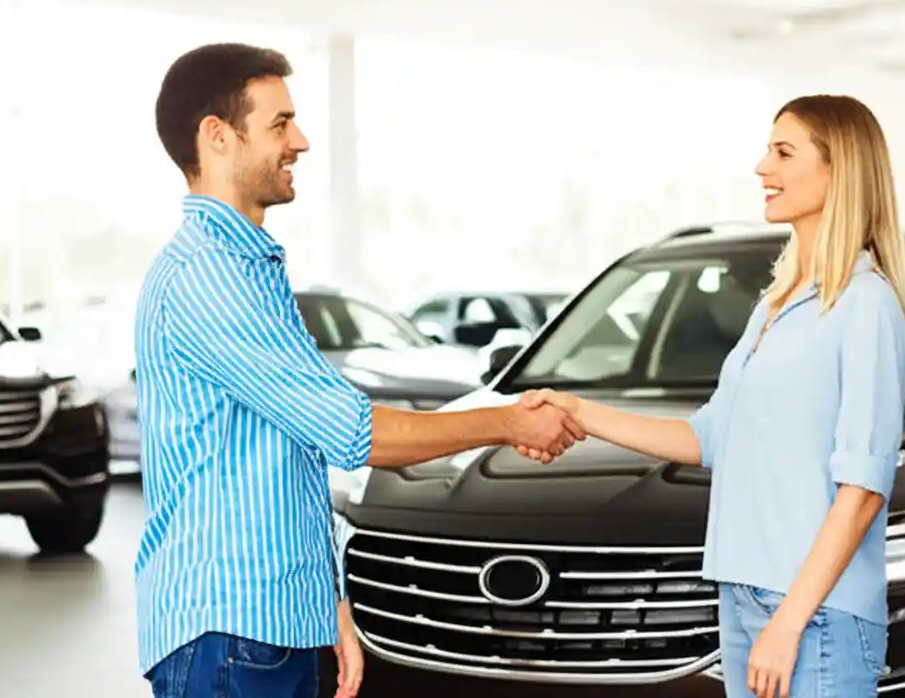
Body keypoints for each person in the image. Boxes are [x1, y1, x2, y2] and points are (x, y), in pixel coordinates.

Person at [134, 43, 583, 698]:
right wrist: (507, 420)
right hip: (228, 634)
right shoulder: (208, 276)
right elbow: (352, 433)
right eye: (280, 123)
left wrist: (327, 607)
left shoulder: (244, 268)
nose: (302, 141)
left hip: (266, 625)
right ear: (217, 137)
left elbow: (290, 461)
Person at [519, 94, 905, 697]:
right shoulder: (776, 304)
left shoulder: (866, 305)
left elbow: (862, 491)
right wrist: (580, 412)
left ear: (840, 170)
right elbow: (706, 437)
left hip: (814, 614)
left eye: (783, 152)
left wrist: (789, 623)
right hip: (744, 594)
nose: (763, 167)